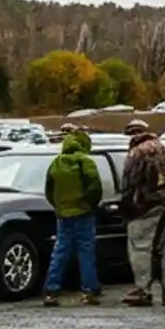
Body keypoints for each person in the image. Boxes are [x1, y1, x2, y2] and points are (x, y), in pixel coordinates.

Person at [120, 131, 165, 306]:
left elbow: (129, 183)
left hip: (147, 205)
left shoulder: (136, 153)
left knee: (140, 247)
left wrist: (127, 208)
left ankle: (143, 290)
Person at [41, 131, 103, 307]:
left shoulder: (56, 163)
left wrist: (59, 206)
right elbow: (95, 188)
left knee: (60, 252)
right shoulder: (86, 162)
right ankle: (89, 290)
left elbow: (49, 191)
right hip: (83, 213)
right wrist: (88, 205)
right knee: (86, 252)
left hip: (63, 215)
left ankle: (51, 291)